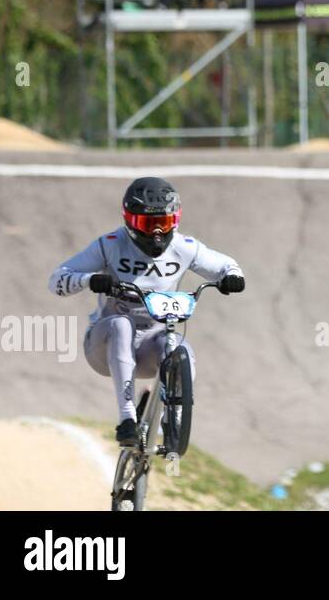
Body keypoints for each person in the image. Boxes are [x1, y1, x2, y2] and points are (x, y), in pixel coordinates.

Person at [48, 177, 244, 447]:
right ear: (129, 220)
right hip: (104, 345)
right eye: (147, 224)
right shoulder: (109, 244)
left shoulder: (184, 247)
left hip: (152, 343)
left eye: (163, 224)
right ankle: (127, 419)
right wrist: (89, 280)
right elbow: (57, 280)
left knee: (181, 349)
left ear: (175, 220)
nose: (156, 234)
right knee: (121, 324)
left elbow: (225, 264)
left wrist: (233, 276)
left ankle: (168, 416)